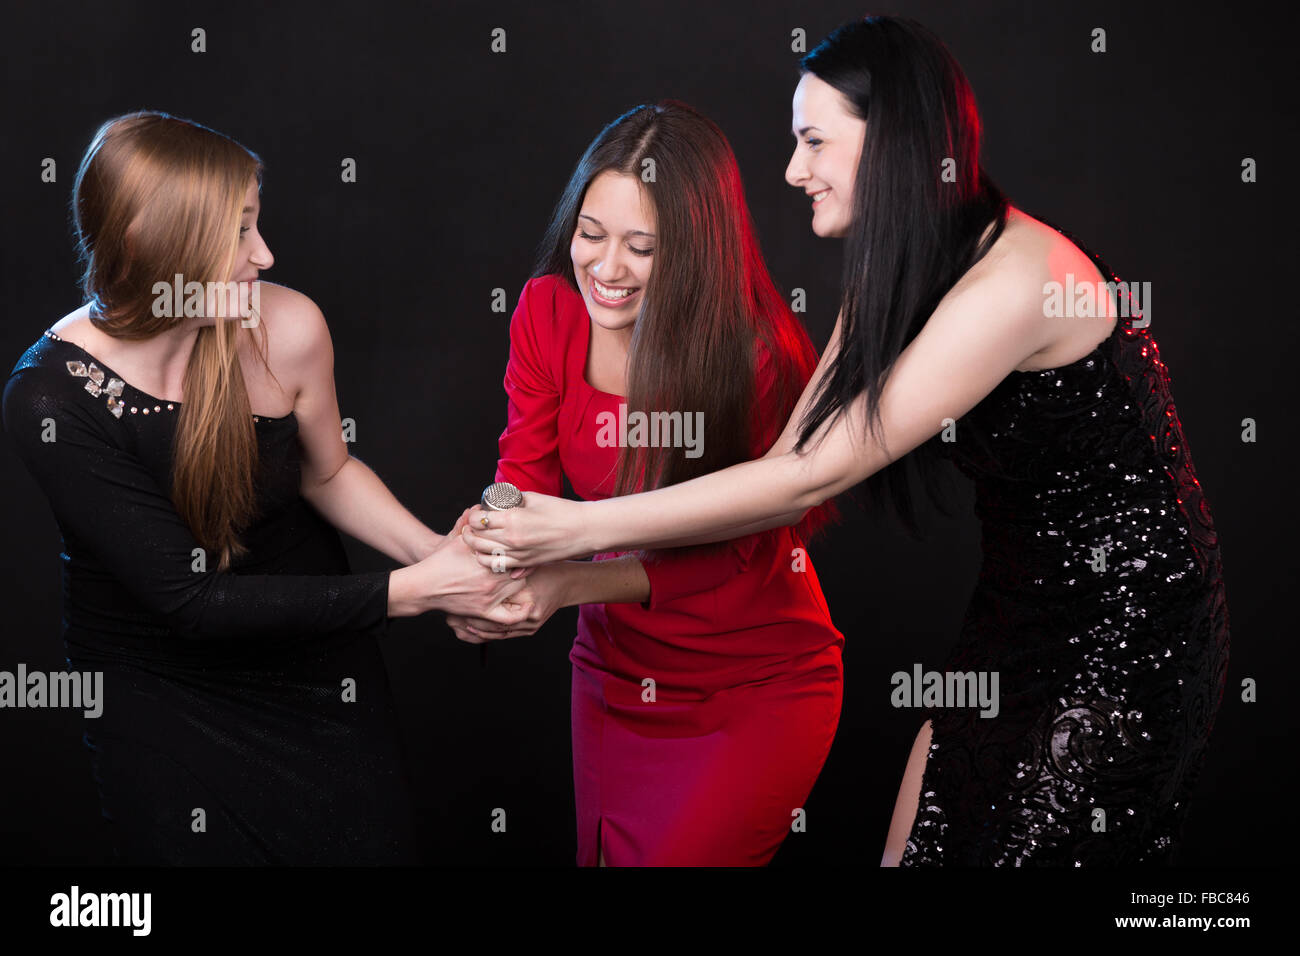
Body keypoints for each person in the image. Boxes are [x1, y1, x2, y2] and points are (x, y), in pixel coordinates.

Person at [460, 17, 1232, 866]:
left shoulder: (1016, 281)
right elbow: (789, 459)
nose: (794, 170)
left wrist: (570, 534)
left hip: (1124, 627)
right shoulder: (898, 267)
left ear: (895, 141)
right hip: (1016, 614)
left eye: (814, 142)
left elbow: (803, 483)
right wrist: (506, 544)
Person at [2, 111, 530, 864]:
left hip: (316, 670)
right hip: (164, 698)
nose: (266, 254)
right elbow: (194, 603)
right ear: (157, 244)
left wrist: (447, 557)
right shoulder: (51, 399)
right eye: (239, 234)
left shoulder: (287, 326)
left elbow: (331, 472)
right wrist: (422, 589)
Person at [446, 101, 844, 866]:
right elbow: (519, 471)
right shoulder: (547, 309)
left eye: (642, 248)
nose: (605, 268)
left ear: (698, 249)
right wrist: (490, 541)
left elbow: (723, 558)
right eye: (589, 235)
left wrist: (563, 583)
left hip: (754, 679)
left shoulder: (756, 353)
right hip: (618, 671)